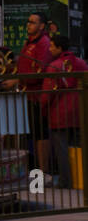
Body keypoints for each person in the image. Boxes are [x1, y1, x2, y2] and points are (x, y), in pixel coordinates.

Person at [46, 34, 86, 188]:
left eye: (52, 46)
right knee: (79, 147)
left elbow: (47, 93)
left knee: (61, 149)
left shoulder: (54, 65)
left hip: (59, 112)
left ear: (59, 48)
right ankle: (81, 179)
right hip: (79, 112)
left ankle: (65, 181)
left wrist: (43, 108)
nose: (49, 49)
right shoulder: (81, 63)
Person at [17, 11, 54, 173]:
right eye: (28, 21)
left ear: (42, 26)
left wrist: (18, 80)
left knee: (40, 134)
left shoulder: (44, 43)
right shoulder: (29, 42)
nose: (28, 24)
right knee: (33, 134)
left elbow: (41, 70)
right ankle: (37, 171)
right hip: (29, 95)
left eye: (32, 22)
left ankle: (43, 173)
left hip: (39, 96)